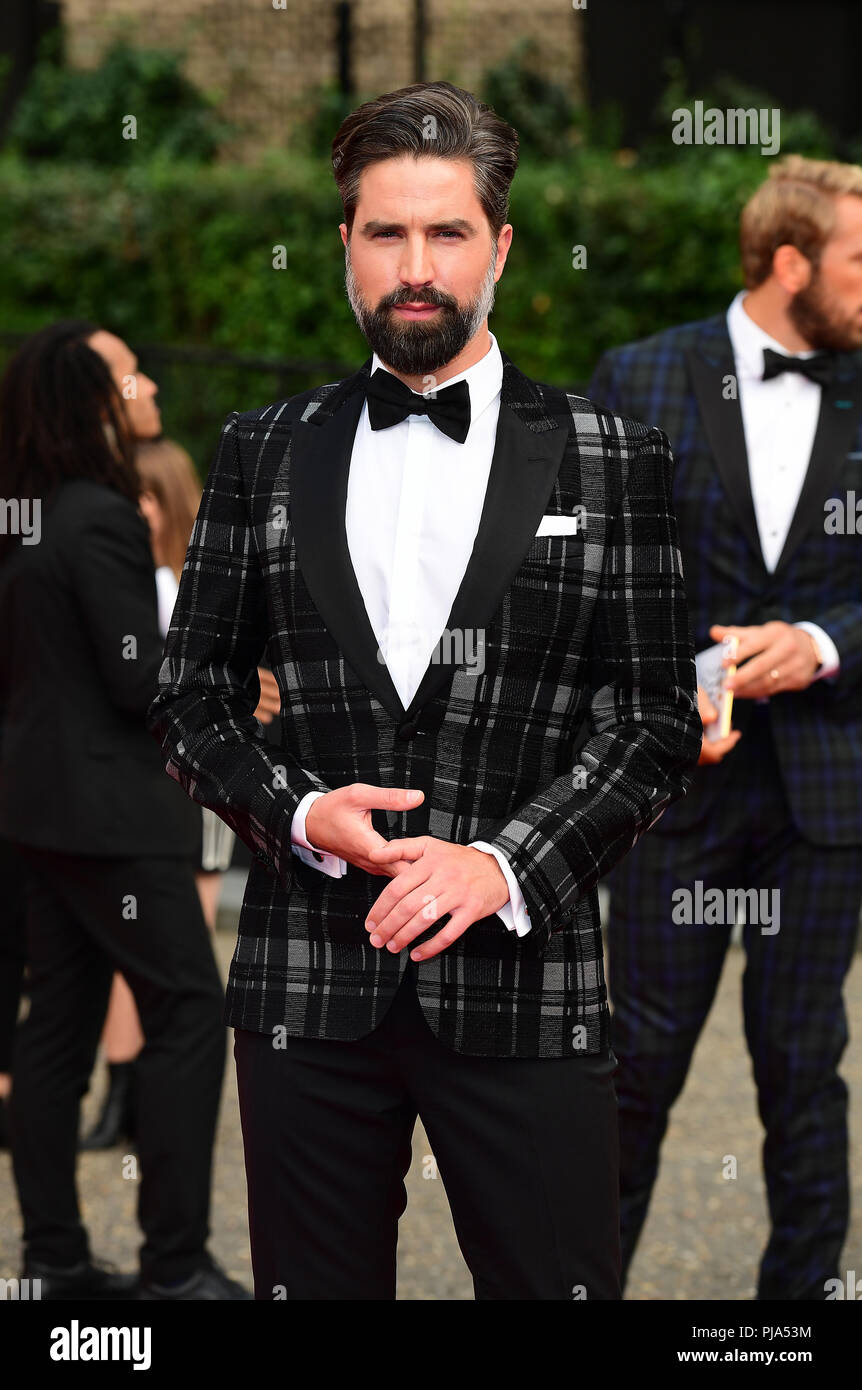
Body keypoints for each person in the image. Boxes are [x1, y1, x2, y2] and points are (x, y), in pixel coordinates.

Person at [148, 81, 702, 1301]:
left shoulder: (614, 458)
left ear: (499, 247)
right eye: (386, 232)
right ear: (343, 241)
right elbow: (188, 699)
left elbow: (656, 719)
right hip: (308, 983)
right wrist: (295, 812)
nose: (416, 265)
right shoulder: (260, 447)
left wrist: (500, 863)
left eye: (446, 233)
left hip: (525, 975)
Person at [588, 155, 862, 1301]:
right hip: (674, 786)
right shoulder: (640, 377)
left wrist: (823, 639)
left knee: (804, 1071)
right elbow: (582, 573)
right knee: (634, 1062)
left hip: (824, 793)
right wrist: (667, 679)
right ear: (789, 260)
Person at [0, 320, 249, 1300]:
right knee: (190, 1011)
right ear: (88, 400)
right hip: (113, 814)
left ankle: (54, 1258)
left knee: (53, 1029)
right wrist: (228, 677)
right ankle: (175, 1264)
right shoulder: (100, 516)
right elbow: (134, 677)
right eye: (124, 373)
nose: (142, 383)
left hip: (35, 813)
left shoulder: (24, 514)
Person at [80, 438, 280, 1151]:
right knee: (154, 952)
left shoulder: (188, 582)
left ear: (163, 500)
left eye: (139, 498)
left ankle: (143, 1097)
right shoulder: (141, 578)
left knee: (178, 952)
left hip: (192, 795)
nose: (127, 511)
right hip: (158, 792)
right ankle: (130, 1093)